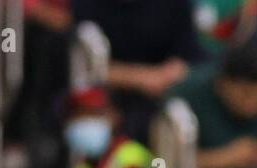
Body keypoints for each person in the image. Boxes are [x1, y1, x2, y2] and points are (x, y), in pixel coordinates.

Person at [71, 0, 204, 141]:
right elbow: (77, 64)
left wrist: (171, 72)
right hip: (103, 98)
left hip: (160, 101)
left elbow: (190, 58)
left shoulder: (176, 5)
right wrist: (140, 78)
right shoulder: (87, 5)